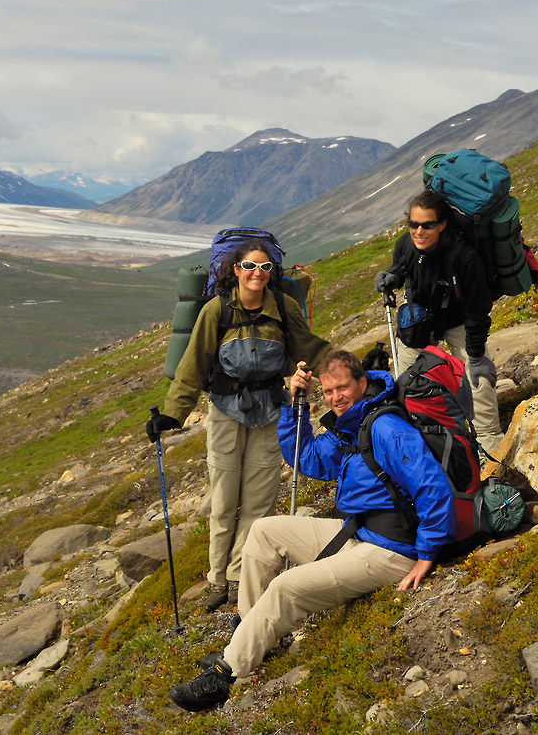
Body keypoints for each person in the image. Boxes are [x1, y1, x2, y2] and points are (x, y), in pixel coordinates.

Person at [167, 350, 456, 712]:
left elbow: (432, 486)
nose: (336, 397)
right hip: (360, 534)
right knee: (263, 532)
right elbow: (309, 460)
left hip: (393, 551)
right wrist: (295, 405)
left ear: (362, 383)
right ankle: (249, 638)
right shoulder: (353, 423)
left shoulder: (385, 427)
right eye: (329, 390)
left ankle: (227, 675)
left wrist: (426, 554)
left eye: (343, 388)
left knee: (286, 587)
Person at [148, 240, 331, 611]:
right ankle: (216, 578)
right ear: (235, 269)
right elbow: (193, 364)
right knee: (224, 501)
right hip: (225, 413)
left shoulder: (283, 307)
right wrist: (172, 413)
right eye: (249, 267)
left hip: (270, 412)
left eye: (264, 269)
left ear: (271, 273)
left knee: (259, 503)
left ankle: (236, 577)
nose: (256, 275)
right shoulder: (217, 310)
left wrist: (348, 368)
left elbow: (309, 349)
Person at [374, 187, 504, 453]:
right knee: (405, 385)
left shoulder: (465, 256)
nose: (418, 231)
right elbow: (401, 270)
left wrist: (477, 356)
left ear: (442, 224)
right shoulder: (405, 245)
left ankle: (490, 448)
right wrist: (390, 278)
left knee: (478, 380)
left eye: (427, 225)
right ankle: (423, 446)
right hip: (421, 320)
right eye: (413, 223)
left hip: (459, 321)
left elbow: (478, 311)